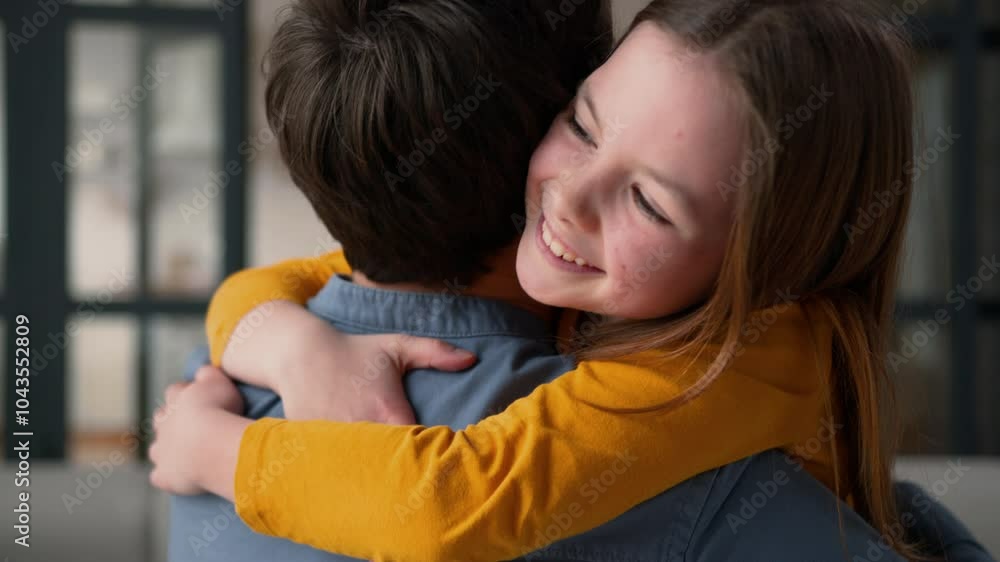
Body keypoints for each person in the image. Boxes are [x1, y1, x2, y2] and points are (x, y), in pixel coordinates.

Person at [151, 0, 977, 560]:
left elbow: (451, 504)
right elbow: (281, 279)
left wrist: (217, 450)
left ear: (766, 270)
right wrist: (293, 346)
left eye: (650, 202)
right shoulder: (610, 297)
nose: (568, 197)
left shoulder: (723, 380)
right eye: (581, 123)